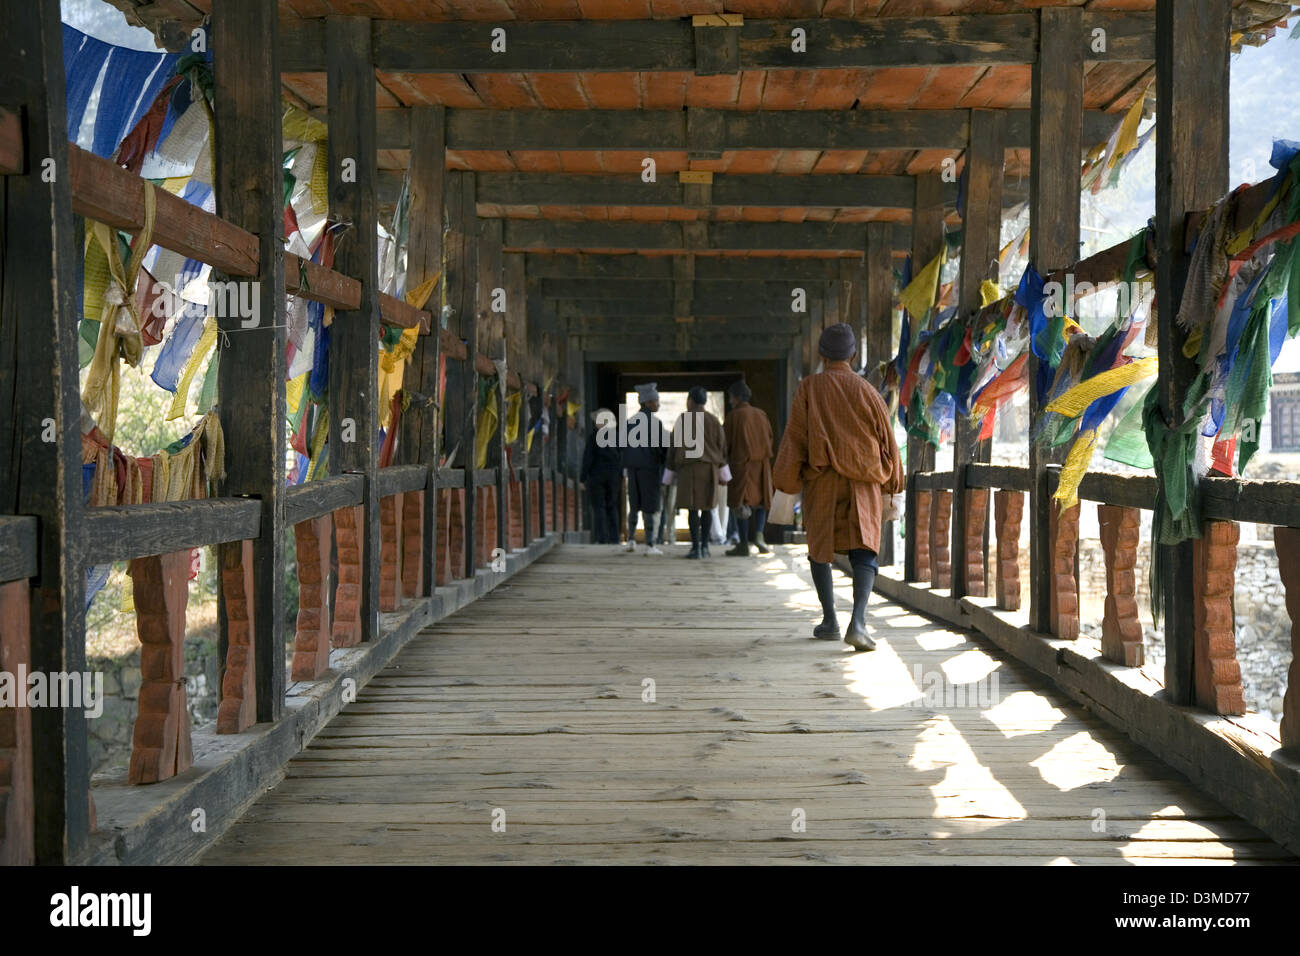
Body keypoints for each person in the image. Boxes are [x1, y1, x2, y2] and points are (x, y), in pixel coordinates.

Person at [773, 323, 904, 652]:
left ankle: (830, 620)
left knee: (820, 547)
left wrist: (786, 483)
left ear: (822, 355)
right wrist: (895, 484)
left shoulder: (809, 388)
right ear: (853, 356)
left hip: (823, 481)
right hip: (864, 481)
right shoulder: (868, 391)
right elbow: (888, 441)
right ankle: (858, 622)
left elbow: (795, 439)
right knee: (865, 547)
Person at [666, 386, 727, 559]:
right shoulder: (713, 420)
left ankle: (695, 548)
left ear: (690, 401)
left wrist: (670, 470)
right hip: (709, 469)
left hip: (688, 469)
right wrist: (723, 469)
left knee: (692, 509)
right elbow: (722, 446)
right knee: (708, 507)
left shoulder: (683, 420)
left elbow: (673, 446)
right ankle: (705, 547)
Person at [723, 379, 774, 557]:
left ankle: (743, 544)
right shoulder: (761, 414)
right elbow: (770, 438)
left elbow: (725, 444)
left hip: (741, 466)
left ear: (737, 398)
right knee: (761, 503)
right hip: (761, 466)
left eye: (731, 397)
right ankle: (759, 537)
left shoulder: (734, 416)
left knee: (741, 504)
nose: (730, 401)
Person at [620, 382, 669, 555]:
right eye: (656, 401)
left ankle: (631, 540)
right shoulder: (655, 423)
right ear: (648, 402)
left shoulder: (629, 423)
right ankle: (650, 544)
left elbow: (621, 447)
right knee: (650, 507)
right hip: (650, 469)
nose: (658, 404)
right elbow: (664, 449)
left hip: (632, 469)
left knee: (634, 505)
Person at [581, 408, 621, 544]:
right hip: (613, 477)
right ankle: (614, 538)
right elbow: (622, 456)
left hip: (597, 477)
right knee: (612, 506)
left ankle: (602, 538)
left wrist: (582, 478)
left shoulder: (594, 437)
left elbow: (588, 459)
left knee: (599, 507)